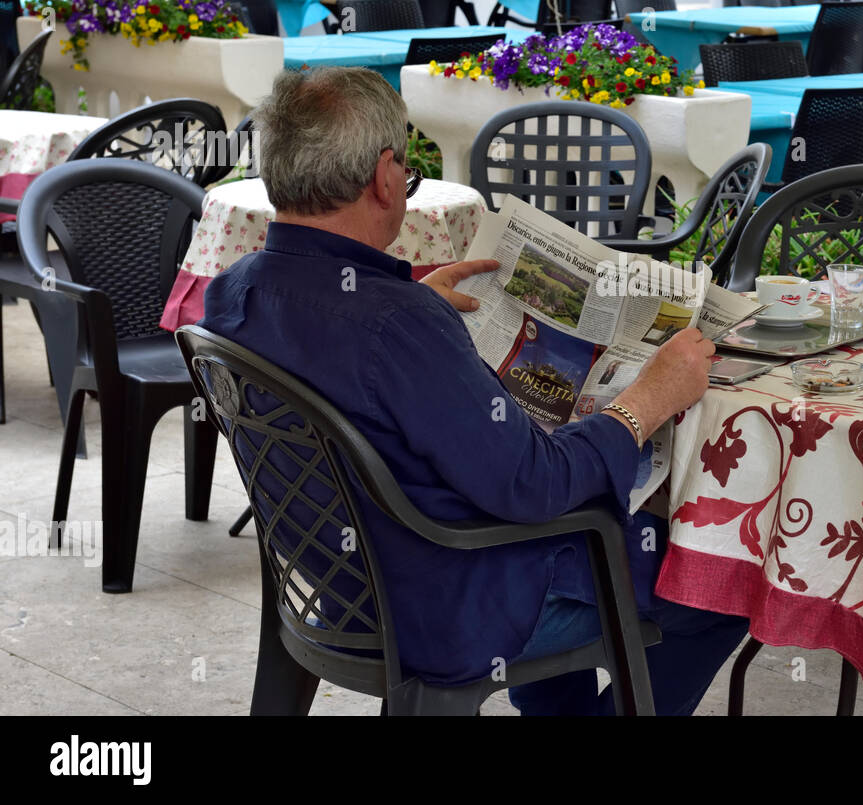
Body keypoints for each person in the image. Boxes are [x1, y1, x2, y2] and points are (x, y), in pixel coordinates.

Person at [197, 67, 750, 716]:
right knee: (720, 581)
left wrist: (414, 307)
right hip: (453, 603)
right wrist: (649, 398)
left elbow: (343, 361)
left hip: (337, 581)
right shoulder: (395, 326)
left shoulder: (234, 290)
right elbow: (536, 485)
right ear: (384, 177)